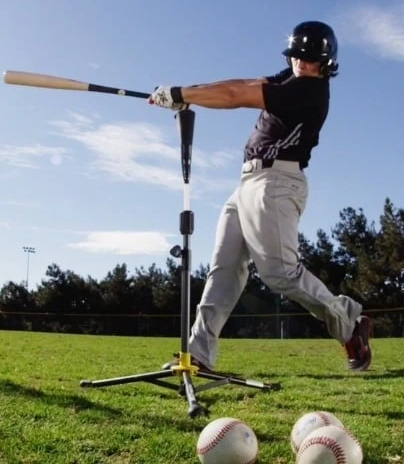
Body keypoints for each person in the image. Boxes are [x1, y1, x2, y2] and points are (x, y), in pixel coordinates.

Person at [147, 20, 373, 373]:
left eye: (309, 58)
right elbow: (244, 84)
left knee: (280, 273)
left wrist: (180, 94)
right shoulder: (289, 78)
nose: (301, 63)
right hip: (247, 182)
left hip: (278, 182)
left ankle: (348, 321)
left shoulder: (309, 92)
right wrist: (184, 93)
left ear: (325, 63)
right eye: (297, 55)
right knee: (222, 271)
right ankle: (199, 355)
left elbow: (236, 97)